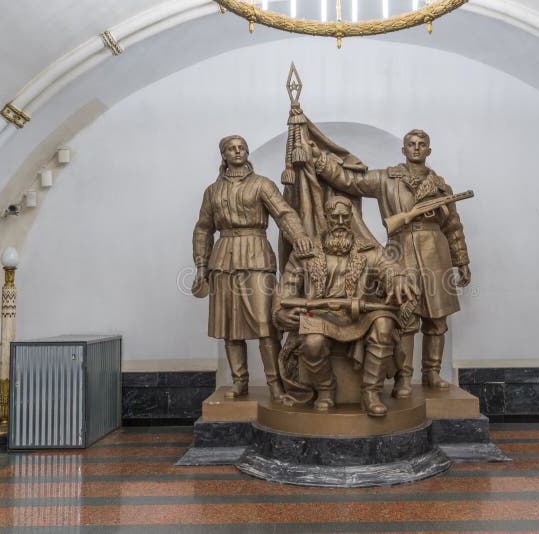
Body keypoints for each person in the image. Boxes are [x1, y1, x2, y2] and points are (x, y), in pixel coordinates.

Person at [310, 129, 470, 397]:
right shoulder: (386, 178)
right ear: (403, 149)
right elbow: (350, 181)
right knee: (405, 318)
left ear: (429, 150)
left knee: (437, 320)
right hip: (400, 251)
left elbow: (453, 227)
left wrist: (461, 260)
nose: (416, 148)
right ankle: (403, 378)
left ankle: (432, 373)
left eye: (422, 144)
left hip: (436, 254)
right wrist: (321, 160)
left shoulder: (442, 188)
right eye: (411, 144)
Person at [192, 135, 312, 400]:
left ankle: (276, 385)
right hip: (222, 261)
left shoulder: (262, 184)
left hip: (256, 256)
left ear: (247, 152)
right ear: (224, 155)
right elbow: (203, 229)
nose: (238, 152)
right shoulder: (212, 191)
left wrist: (300, 237)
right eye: (231, 149)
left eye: (242, 148)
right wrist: (201, 265)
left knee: (265, 325)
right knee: (229, 328)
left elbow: (284, 214)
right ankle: (239, 382)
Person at [273, 197, 416, 416]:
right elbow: (286, 288)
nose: (340, 222)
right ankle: (326, 389)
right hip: (319, 314)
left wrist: (397, 277)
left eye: (345, 217)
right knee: (313, 343)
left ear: (351, 218)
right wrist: (280, 313)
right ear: (325, 218)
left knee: (384, 325)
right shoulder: (306, 252)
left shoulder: (369, 249)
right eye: (335, 217)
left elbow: (389, 267)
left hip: (359, 315)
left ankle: (371, 393)